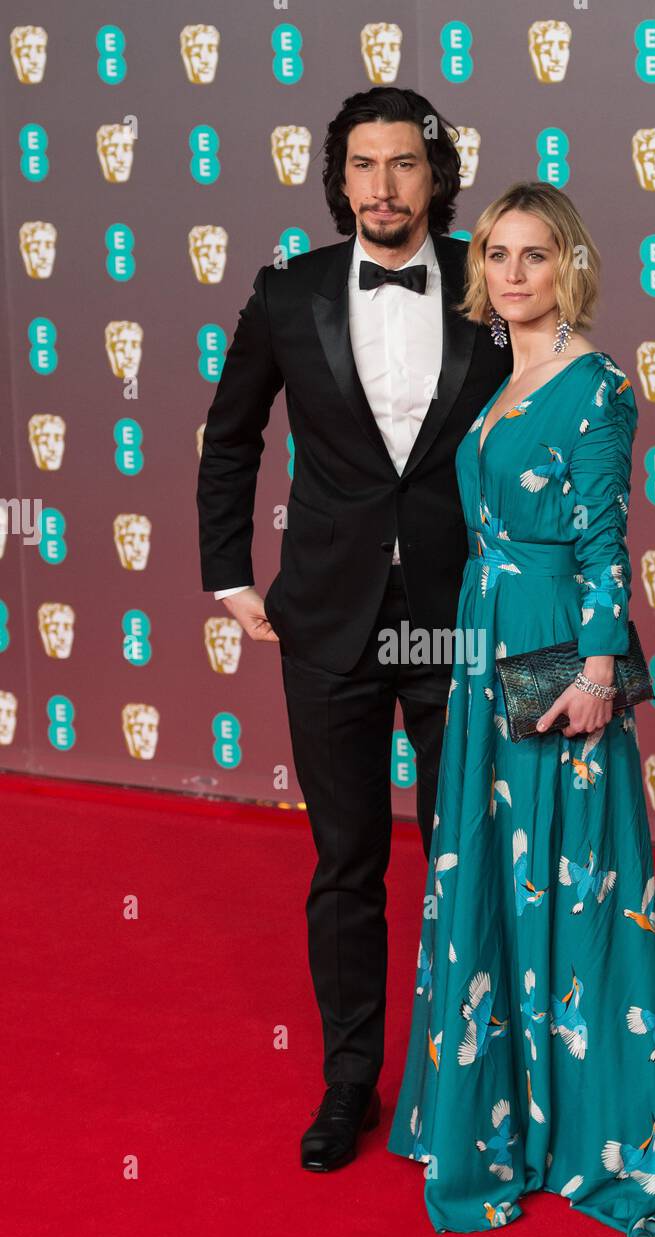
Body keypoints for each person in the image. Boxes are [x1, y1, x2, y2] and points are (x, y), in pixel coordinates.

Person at [386, 182, 655, 1237]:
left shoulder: (596, 385)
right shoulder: (509, 377)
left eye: (533, 255)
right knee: (499, 864)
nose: (510, 272)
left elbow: (605, 539)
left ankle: (595, 1132)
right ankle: (504, 1112)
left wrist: (598, 671)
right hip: (488, 632)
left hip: (552, 638)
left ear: (570, 265)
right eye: (496, 253)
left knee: (570, 872)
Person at [196, 87, 512, 1172]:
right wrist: (228, 575)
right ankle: (348, 1082)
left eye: (404, 166)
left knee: (462, 854)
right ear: (339, 179)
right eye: (363, 167)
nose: (382, 187)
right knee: (346, 862)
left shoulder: (493, 279)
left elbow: (551, 439)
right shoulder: (288, 292)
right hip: (327, 622)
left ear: (437, 176)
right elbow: (229, 437)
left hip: (456, 621)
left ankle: (469, 1077)